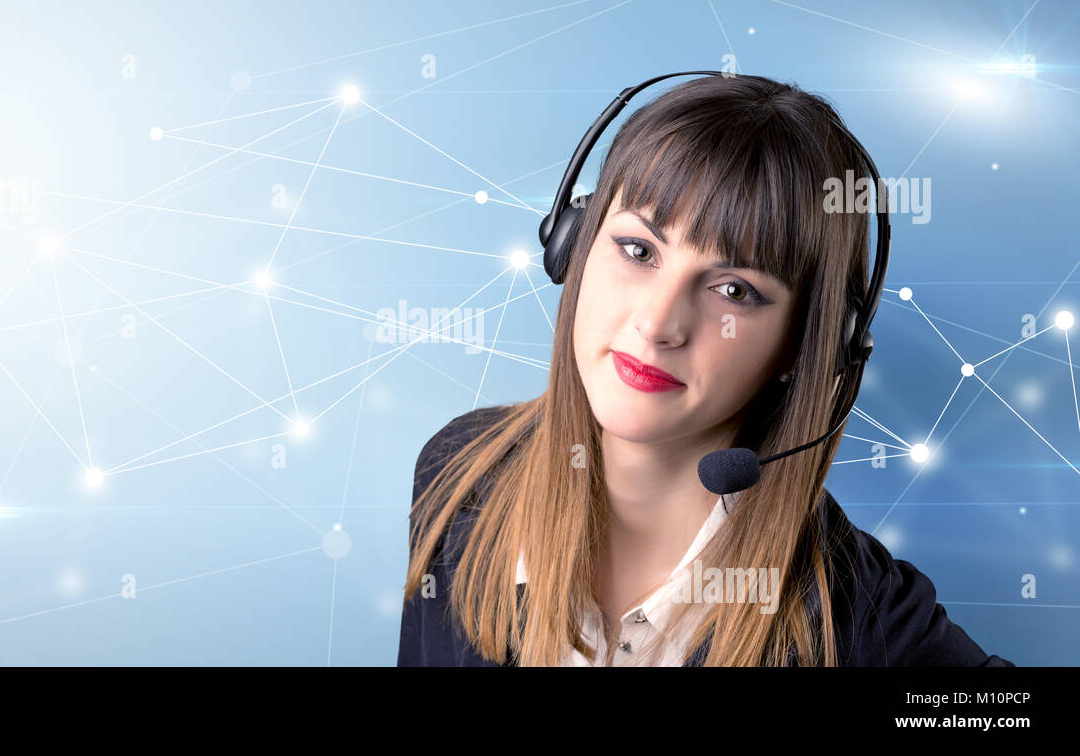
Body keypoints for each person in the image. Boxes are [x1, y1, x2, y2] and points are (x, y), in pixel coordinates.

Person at [397, 74, 1013, 667]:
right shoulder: (460, 471)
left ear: (806, 345)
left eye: (735, 290)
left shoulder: (862, 613)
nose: (659, 323)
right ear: (571, 245)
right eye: (639, 250)